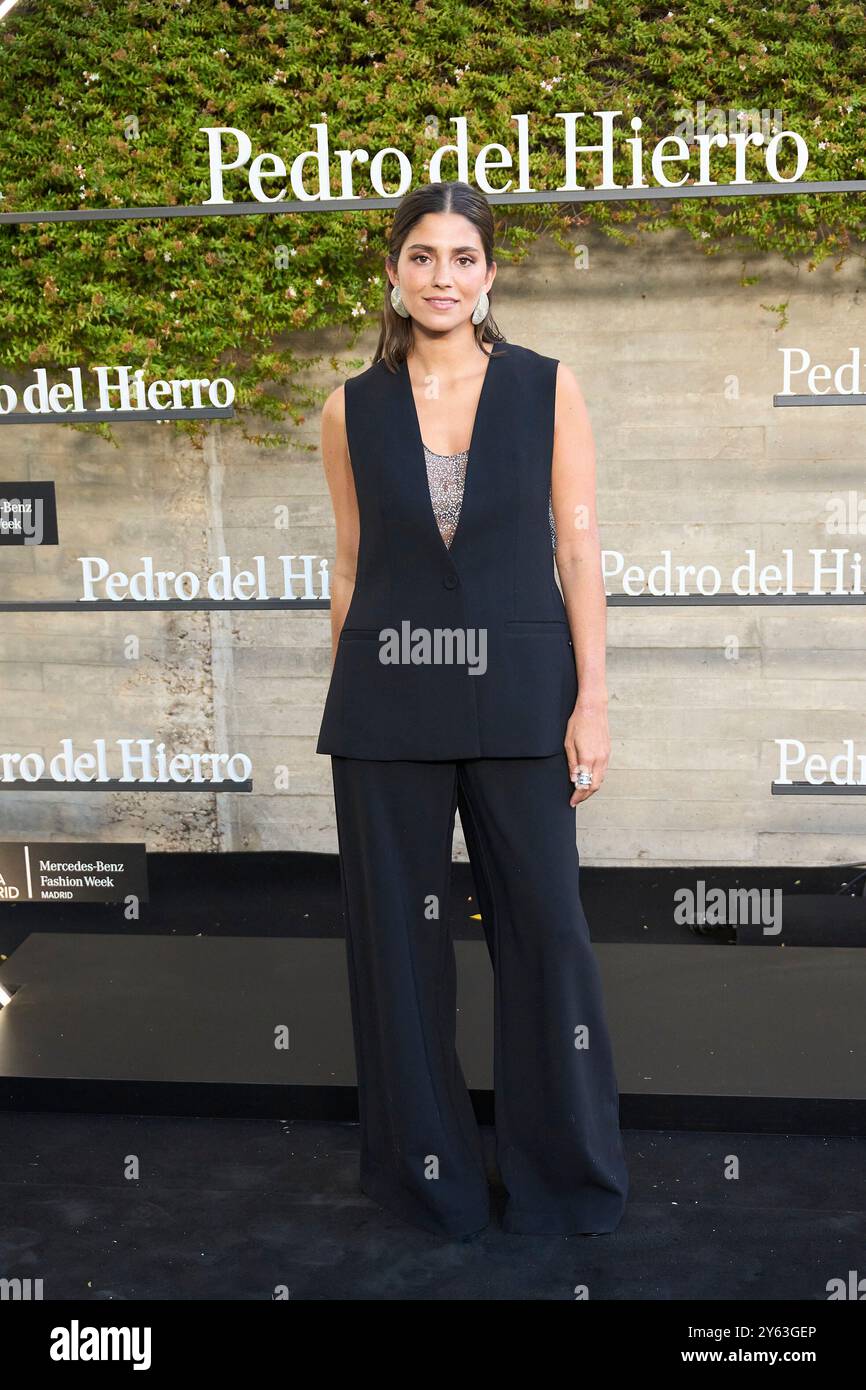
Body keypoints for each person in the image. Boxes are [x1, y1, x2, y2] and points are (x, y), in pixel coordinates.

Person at [316, 179, 629, 1238]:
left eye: (460, 258)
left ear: (489, 274)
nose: (440, 276)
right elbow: (351, 567)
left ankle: (564, 1181)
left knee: (545, 935)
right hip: (385, 704)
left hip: (520, 695)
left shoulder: (546, 387)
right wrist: (346, 697)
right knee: (397, 953)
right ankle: (426, 1184)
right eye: (420, 257)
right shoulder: (347, 406)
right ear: (393, 275)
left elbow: (576, 547)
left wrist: (591, 698)